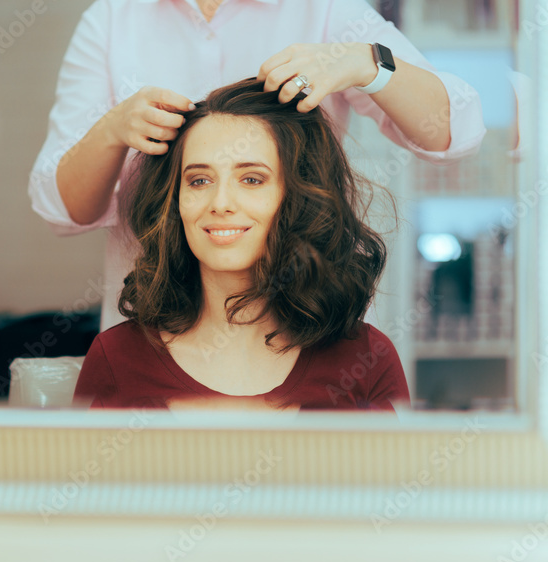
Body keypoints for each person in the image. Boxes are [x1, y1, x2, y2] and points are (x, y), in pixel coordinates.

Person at [29, 0, 487, 333]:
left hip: (306, 323)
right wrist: (111, 131)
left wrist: (365, 62)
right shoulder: (112, 19)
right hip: (159, 331)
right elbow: (64, 211)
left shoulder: (326, 10)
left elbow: (456, 130)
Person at [73, 78, 409, 411]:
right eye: (199, 180)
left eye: (251, 179)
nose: (220, 203)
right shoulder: (116, 358)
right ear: (175, 201)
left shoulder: (365, 359)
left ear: (299, 198)